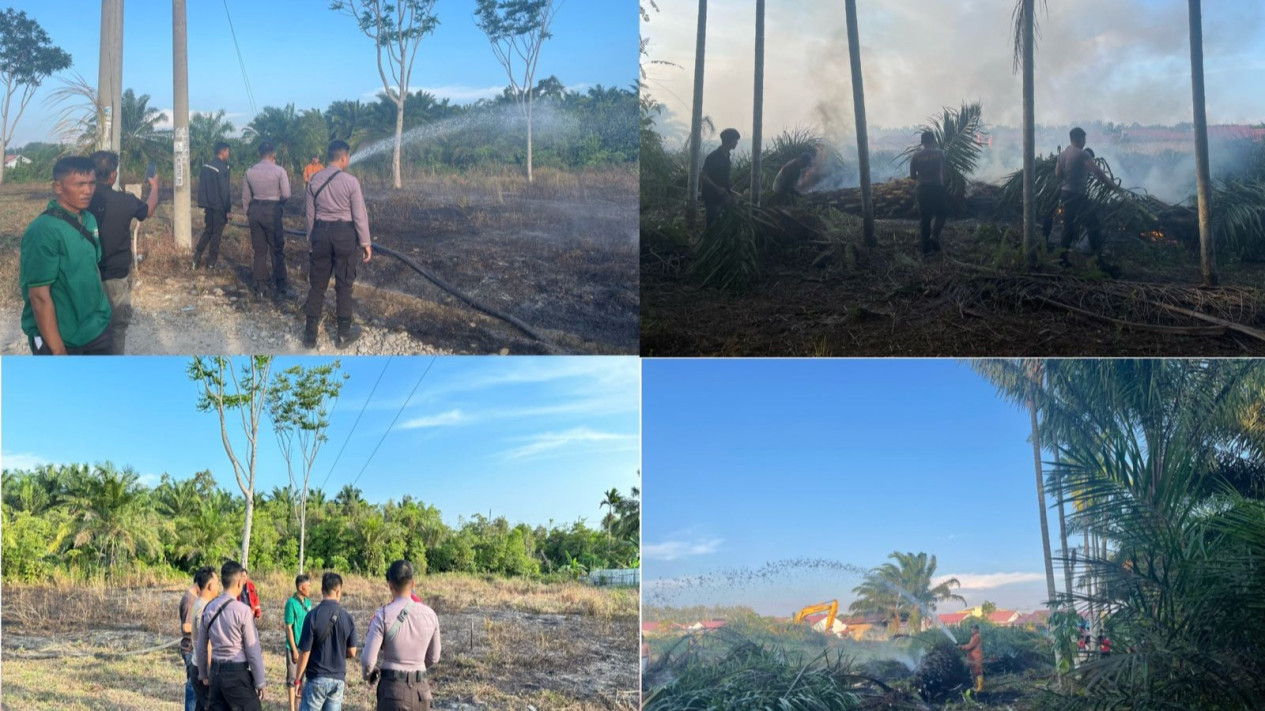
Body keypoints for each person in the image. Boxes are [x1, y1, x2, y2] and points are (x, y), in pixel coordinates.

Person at [19, 156, 113, 355]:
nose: (88, 191)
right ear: (58, 187)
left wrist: (103, 316)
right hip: (64, 337)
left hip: (97, 329)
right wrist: (58, 350)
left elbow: (93, 269)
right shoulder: (43, 231)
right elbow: (39, 296)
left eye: (92, 183)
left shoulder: (89, 219)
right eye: (80, 184)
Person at [87, 150, 159, 354]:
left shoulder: (82, 200)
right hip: (116, 276)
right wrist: (155, 187)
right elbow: (149, 210)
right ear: (113, 175)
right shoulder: (125, 201)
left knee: (89, 327)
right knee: (117, 328)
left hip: (87, 274)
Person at [303, 140, 372, 349]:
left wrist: (311, 239)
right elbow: (359, 215)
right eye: (348, 157)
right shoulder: (351, 182)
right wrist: (365, 242)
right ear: (343, 158)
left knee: (317, 285)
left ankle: (309, 336)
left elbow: (310, 215)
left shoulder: (314, 180)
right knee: (343, 285)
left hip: (321, 234)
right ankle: (343, 335)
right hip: (344, 235)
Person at [361, 560, 442, 711]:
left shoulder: (382, 615)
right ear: (413, 584)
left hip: (392, 691)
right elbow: (434, 657)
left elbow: (368, 661)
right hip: (421, 692)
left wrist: (368, 675)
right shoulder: (431, 615)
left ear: (390, 585)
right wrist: (415, 668)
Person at [196, 561, 266, 711]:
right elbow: (253, 650)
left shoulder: (209, 608)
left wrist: (203, 674)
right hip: (237, 674)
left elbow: (201, 645)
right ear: (240, 582)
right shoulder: (243, 611)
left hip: (215, 674)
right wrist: (260, 681)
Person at [295, 572, 359, 711]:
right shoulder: (347, 617)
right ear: (338, 591)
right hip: (337, 680)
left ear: (322, 590)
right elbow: (352, 652)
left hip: (316, 678)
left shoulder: (312, 616)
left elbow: (304, 653)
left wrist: (298, 680)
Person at [1055, 127, 1118, 258]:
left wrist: (1071, 175)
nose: (1085, 142)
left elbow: (1058, 174)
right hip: (1077, 195)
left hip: (1065, 193)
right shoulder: (1082, 154)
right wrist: (1110, 184)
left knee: (1068, 225)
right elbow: (1097, 171)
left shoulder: (1063, 154)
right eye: (1084, 139)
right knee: (1093, 222)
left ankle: (1062, 257)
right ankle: (1096, 255)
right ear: (1079, 139)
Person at [243, 142, 293, 301]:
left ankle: (260, 287)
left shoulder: (250, 172)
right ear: (273, 155)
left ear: (259, 154)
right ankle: (281, 286)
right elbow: (286, 194)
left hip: (255, 210)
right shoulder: (279, 171)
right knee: (277, 249)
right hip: (272, 210)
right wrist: (279, 204)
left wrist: (249, 214)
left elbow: (246, 198)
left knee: (259, 251)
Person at [194, 142, 233, 270]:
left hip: (208, 206)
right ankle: (211, 263)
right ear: (222, 152)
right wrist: (228, 209)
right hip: (219, 207)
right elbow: (225, 190)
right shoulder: (223, 168)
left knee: (208, 231)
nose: (228, 154)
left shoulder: (205, 167)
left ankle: (196, 257)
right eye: (228, 152)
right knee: (216, 235)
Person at [909, 131, 949, 255]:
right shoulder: (940, 154)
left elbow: (912, 176)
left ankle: (926, 249)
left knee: (925, 219)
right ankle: (934, 235)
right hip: (937, 189)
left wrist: (923, 178)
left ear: (922, 142)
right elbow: (945, 172)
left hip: (922, 190)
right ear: (933, 141)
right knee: (942, 213)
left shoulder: (916, 156)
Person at [188, 567, 221, 711]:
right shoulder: (203, 608)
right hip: (202, 667)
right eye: (217, 583)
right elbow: (205, 643)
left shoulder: (200, 603)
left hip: (198, 665)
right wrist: (207, 671)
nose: (219, 586)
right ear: (210, 586)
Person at [179, 567, 211, 711]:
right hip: (190, 648)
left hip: (193, 646)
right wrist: (202, 630)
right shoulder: (189, 600)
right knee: (193, 686)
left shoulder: (194, 598)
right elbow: (186, 627)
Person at [700, 128, 741, 229]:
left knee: (723, 222)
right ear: (728, 140)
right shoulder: (713, 157)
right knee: (712, 223)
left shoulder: (727, 157)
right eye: (735, 140)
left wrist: (731, 191)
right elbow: (703, 176)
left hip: (722, 195)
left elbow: (723, 178)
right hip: (711, 196)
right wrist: (717, 188)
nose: (736, 142)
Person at [285, 574, 315, 711]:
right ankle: (292, 708)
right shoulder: (291, 603)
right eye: (308, 586)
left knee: (302, 678)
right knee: (292, 679)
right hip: (294, 646)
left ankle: (300, 706)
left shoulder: (308, 603)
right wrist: (294, 649)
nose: (310, 589)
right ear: (301, 587)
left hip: (306, 647)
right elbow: (288, 628)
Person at [959, 624, 984, 694]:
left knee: (978, 672)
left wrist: (962, 647)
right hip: (973, 657)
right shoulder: (973, 636)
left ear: (977, 629)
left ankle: (980, 688)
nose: (972, 630)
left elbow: (970, 646)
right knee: (974, 672)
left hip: (976, 657)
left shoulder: (976, 636)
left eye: (973, 629)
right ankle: (976, 686)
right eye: (971, 629)